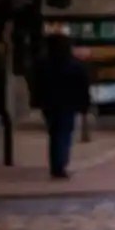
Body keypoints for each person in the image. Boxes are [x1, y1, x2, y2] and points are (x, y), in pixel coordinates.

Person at [35, 33, 90, 179]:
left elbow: (37, 85)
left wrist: (38, 101)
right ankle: (60, 164)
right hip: (68, 104)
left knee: (54, 133)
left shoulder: (43, 65)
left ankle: (56, 164)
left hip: (49, 103)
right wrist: (84, 104)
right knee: (64, 133)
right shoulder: (74, 65)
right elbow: (82, 86)